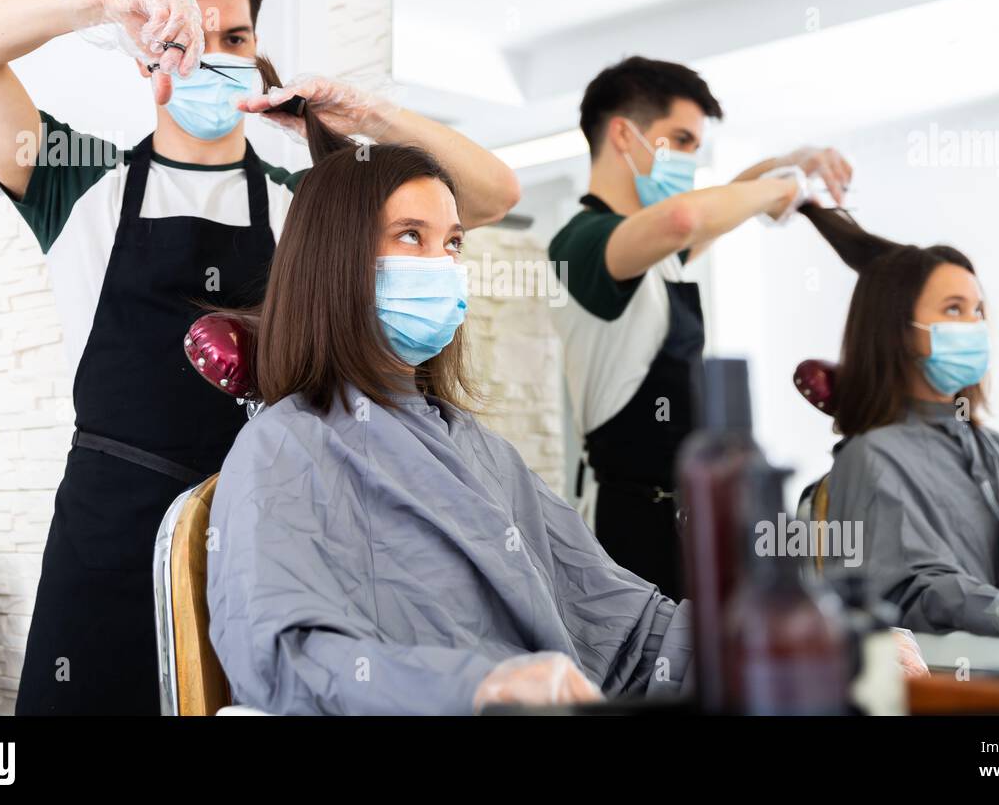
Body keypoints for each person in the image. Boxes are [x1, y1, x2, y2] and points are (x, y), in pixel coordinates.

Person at [0, 0, 520, 715]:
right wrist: (107, 1)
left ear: (257, 47)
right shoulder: (76, 181)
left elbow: (488, 196)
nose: (214, 55)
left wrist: (366, 114)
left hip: (264, 541)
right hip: (106, 546)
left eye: (233, 37)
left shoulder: (305, 204)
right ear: (144, 54)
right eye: (186, 39)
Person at [206, 109, 694, 714]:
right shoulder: (286, 446)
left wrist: (739, 641)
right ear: (338, 261)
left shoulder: (477, 447)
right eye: (411, 235)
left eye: (454, 242)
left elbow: (622, 625)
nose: (443, 264)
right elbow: (286, 659)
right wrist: (479, 687)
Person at [548, 55, 855, 599]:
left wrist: (791, 162)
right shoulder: (583, 242)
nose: (691, 161)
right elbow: (685, 217)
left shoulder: (657, 255)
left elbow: (716, 206)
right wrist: (781, 191)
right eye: (682, 140)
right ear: (624, 134)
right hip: (628, 528)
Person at [799, 206, 999, 658]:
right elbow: (905, 591)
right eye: (954, 309)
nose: (974, 325)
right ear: (899, 331)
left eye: (978, 310)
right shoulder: (872, 456)